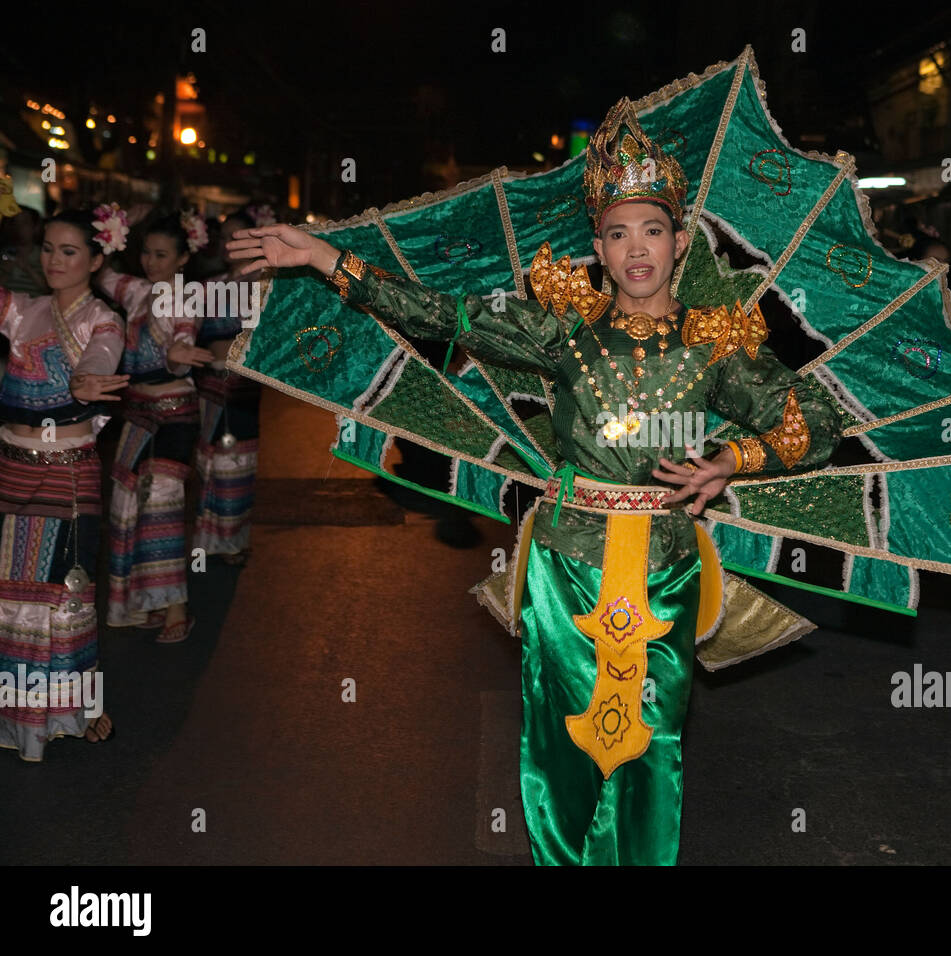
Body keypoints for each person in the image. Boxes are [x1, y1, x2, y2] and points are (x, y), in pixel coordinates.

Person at [227, 99, 842, 865]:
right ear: (599, 246)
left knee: (653, 744)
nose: (637, 248)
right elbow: (442, 314)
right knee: (560, 736)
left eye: (653, 229)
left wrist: (730, 461)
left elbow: (811, 422)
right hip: (565, 561)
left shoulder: (713, 344)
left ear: (680, 242)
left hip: (668, 566)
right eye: (619, 233)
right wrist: (324, 259)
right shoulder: (565, 334)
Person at [0, 206, 128, 760]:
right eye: (47, 248)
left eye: (69, 251)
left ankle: (82, 706)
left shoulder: (103, 321)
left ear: (96, 259)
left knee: (65, 596)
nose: (54, 259)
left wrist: (86, 379)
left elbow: (99, 360)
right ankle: (18, 713)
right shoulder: (21, 310)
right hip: (11, 468)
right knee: (11, 599)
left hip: (66, 473)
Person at [98, 210, 214, 642]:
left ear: (183, 259)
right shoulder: (135, 291)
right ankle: (144, 602)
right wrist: (108, 236)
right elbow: (101, 273)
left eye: (162, 255)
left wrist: (178, 353)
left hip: (176, 412)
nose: (151, 261)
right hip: (136, 413)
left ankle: (175, 608)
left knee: (161, 505)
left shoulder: (186, 298)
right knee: (127, 506)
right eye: (145, 252)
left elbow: (184, 333)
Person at [192, 209, 264, 566]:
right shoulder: (209, 287)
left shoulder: (268, 286)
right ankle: (208, 538)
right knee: (208, 463)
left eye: (238, 237)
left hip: (241, 389)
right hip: (208, 384)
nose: (229, 245)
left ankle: (234, 539)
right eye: (225, 238)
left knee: (236, 462)